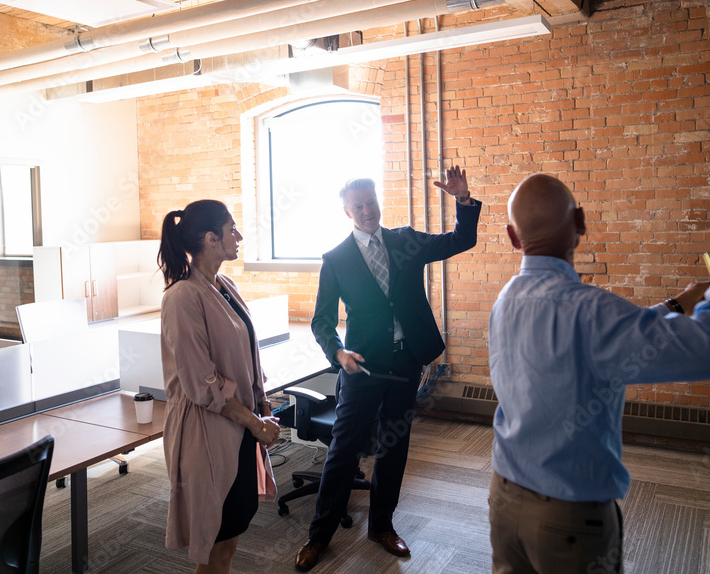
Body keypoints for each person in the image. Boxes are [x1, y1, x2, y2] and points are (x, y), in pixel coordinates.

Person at [488, 174, 710, 574]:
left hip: (504, 500)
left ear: (512, 236)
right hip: (568, 518)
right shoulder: (588, 310)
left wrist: (676, 304)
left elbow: (613, 340)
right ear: (579, 221)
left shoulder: (506, 299)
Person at [296, 167, 482, 571]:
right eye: (358, 206)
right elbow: (321, 320)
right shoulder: (337, 259)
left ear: (379, 201)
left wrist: (463, 200)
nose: (367, 211)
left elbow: (461, 239)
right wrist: (338, 353)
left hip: (406, 361)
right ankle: (319, 536)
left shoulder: (407, 241)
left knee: (394, 448)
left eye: (371, 202)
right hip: (361, 367)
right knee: (343, 452)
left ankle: (382, 526)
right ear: (347, 212)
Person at [158, 200, 282, 573]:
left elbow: (245, 352)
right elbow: (203, 382)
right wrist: (255, 423)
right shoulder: (182, 297)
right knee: (214, 544)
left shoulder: (224, 284)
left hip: (239, 426)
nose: (239, 236)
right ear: (211, 239)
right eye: (232, 229)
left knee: (228, 541)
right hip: (208, 434)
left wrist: (261, 405)